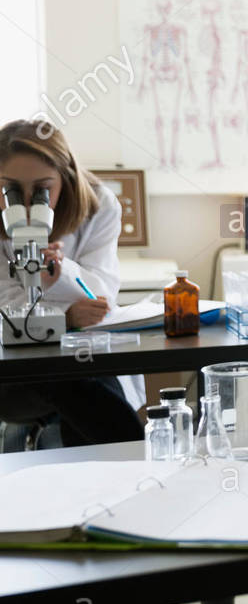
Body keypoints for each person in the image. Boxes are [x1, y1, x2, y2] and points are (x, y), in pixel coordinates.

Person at [0, 121, 144, 446]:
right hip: (15, 377)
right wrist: (67, 318)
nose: (25, 203)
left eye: (41, 190)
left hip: (83, 364)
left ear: (65, 179)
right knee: (68, 377)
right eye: (10, 190)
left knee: (77, 374)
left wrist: (62, 275)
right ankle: (136, 461)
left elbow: (101, 299)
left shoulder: (100, 205)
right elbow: (6, 310)